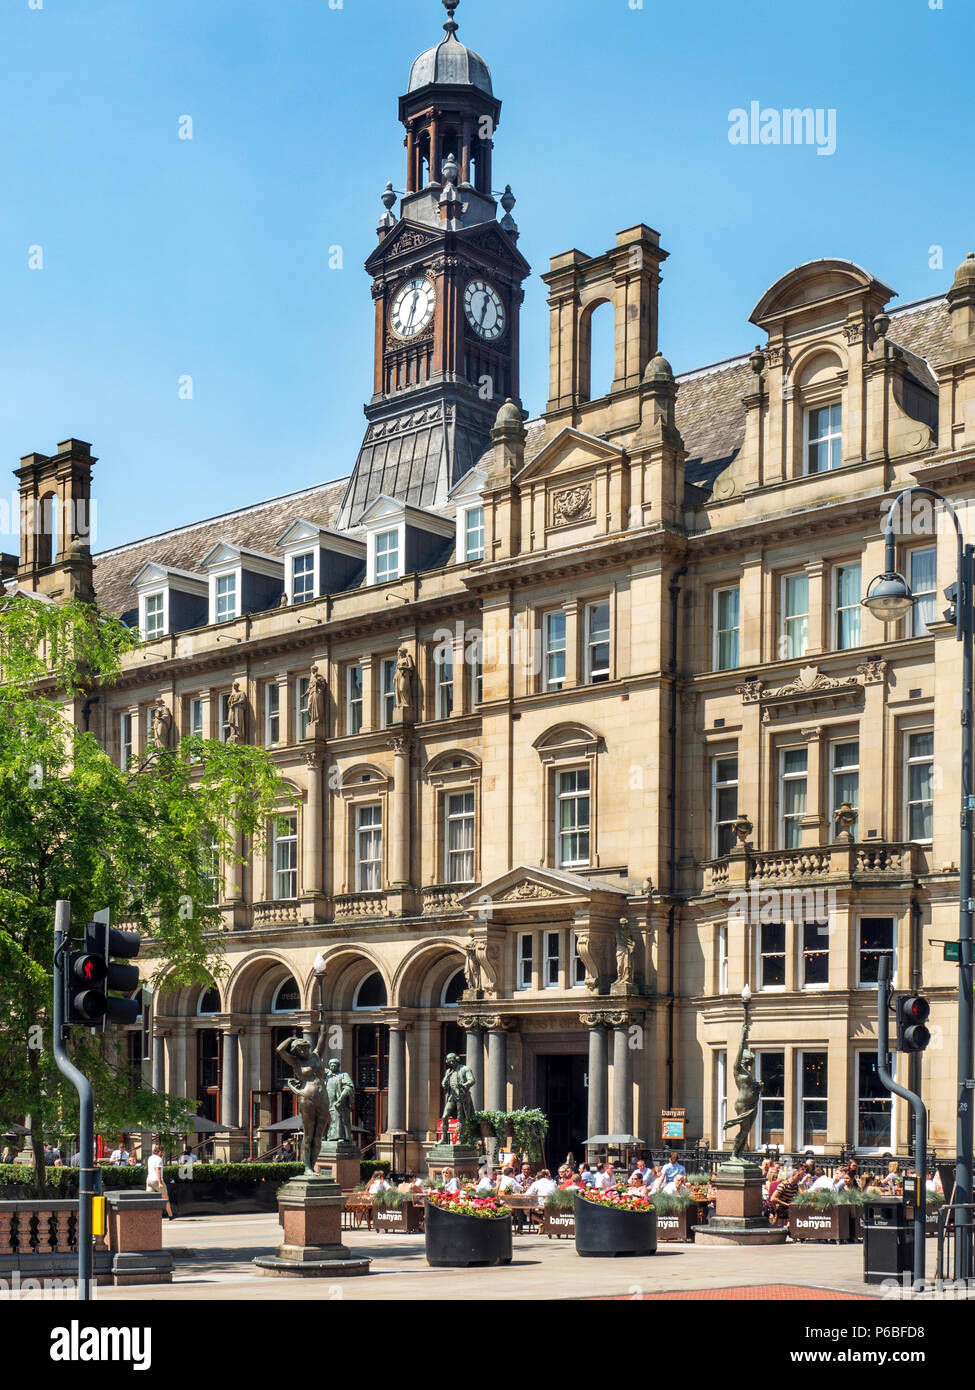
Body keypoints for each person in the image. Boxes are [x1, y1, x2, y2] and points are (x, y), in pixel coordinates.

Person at [146, 1144, 173, 1220]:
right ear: (160, 1152)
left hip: (149, 1180)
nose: (163, 1153)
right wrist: (160, 1182)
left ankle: (149, 1216)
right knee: (165, 1197)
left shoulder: (150, 1158)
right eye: (162, 1152)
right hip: (156, 1180)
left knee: (149, 1199)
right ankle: (170, 1215)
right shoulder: (159, 1159)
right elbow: (158, 1171)